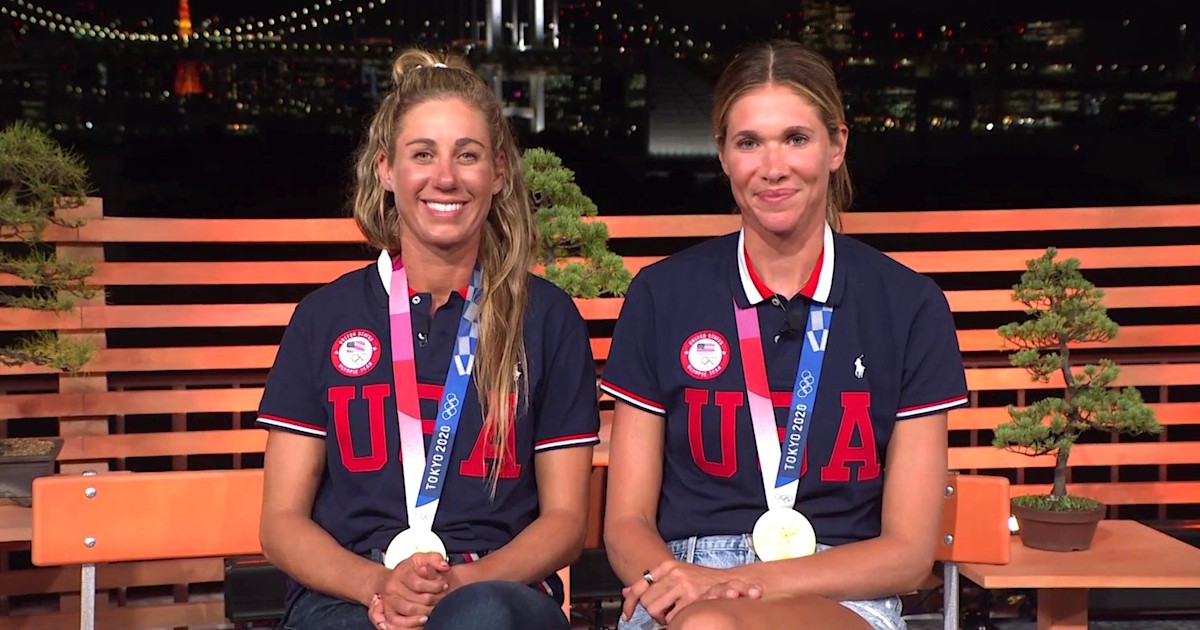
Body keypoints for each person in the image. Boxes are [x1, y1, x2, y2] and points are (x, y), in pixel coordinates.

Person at [599, 39, 968, 630]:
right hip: (677, 580)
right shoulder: (661, 295)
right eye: (749, 143)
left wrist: (729, 590)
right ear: (721, 154)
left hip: (840, 586)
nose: (773, 167)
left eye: (796, 138)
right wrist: (673, 583)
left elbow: (906, 554)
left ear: (836, 146)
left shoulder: (908, 305)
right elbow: (626, 524)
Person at [256, 46, 600, 630]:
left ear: (496, 174)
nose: (446, 177)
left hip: (498, 586)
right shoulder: (324, 316)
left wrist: (462, 583)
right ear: (387, 170)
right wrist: (378, 587)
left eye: (467, 156)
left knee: (480, 618)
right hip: (350, 590)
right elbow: (281, 523)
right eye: (424, 155)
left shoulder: (546, 318)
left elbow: (566, 521)